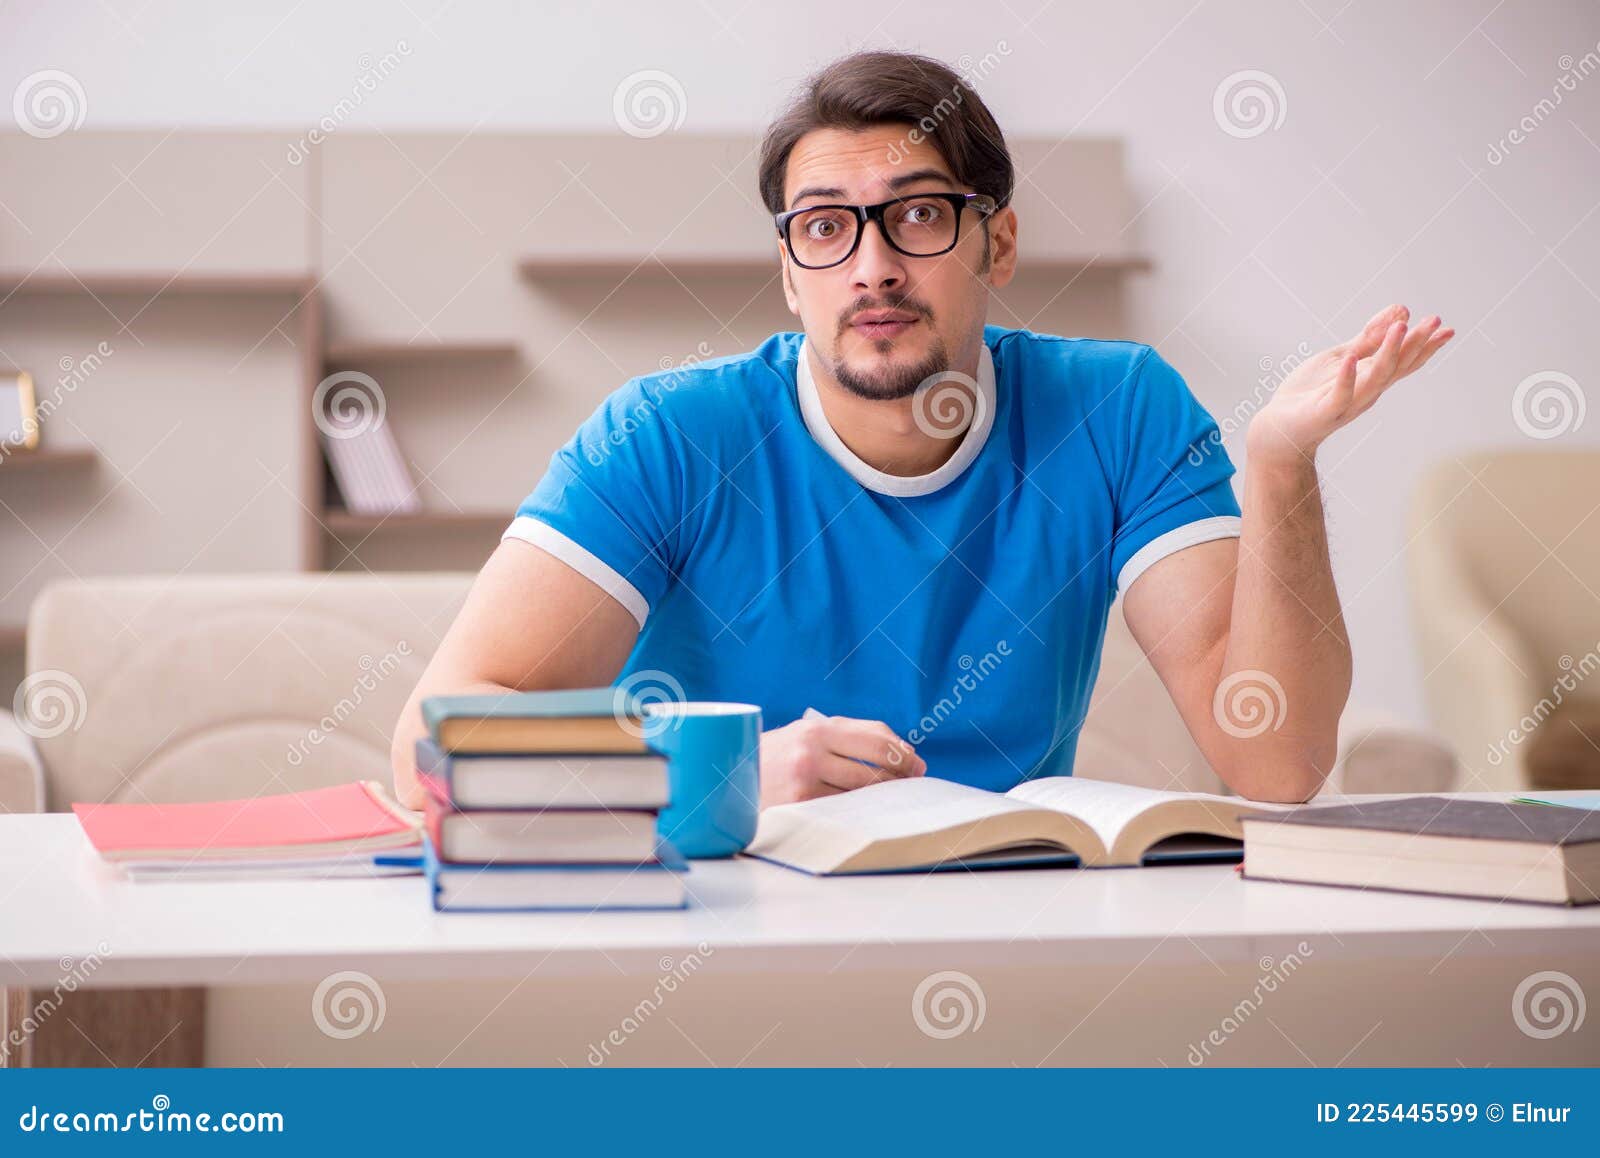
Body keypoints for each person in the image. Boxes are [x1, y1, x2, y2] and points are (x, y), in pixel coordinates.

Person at [390, 50, 1452, 811]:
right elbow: (430, 746)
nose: (873, 267)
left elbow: (1275, 764)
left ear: (998, 244)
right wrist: (725, 771)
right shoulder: (665, 437)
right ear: (790, 274)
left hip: (1003, 925)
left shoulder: (1120, 410)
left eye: (919, 214)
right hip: (720, 923)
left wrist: (1280, 465)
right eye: (824, 227)